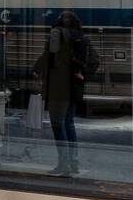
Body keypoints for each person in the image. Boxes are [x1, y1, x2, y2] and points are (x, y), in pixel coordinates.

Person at [33, 10, 91, 176]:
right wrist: (82, 74)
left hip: (58, 86)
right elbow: (93, 60)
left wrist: (37, 69)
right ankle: (74, 164)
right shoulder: (80, 36)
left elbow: (49, 56)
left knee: (58, 125)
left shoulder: (56, 33)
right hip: (74, 86)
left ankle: (63, 165)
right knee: (69, 124)